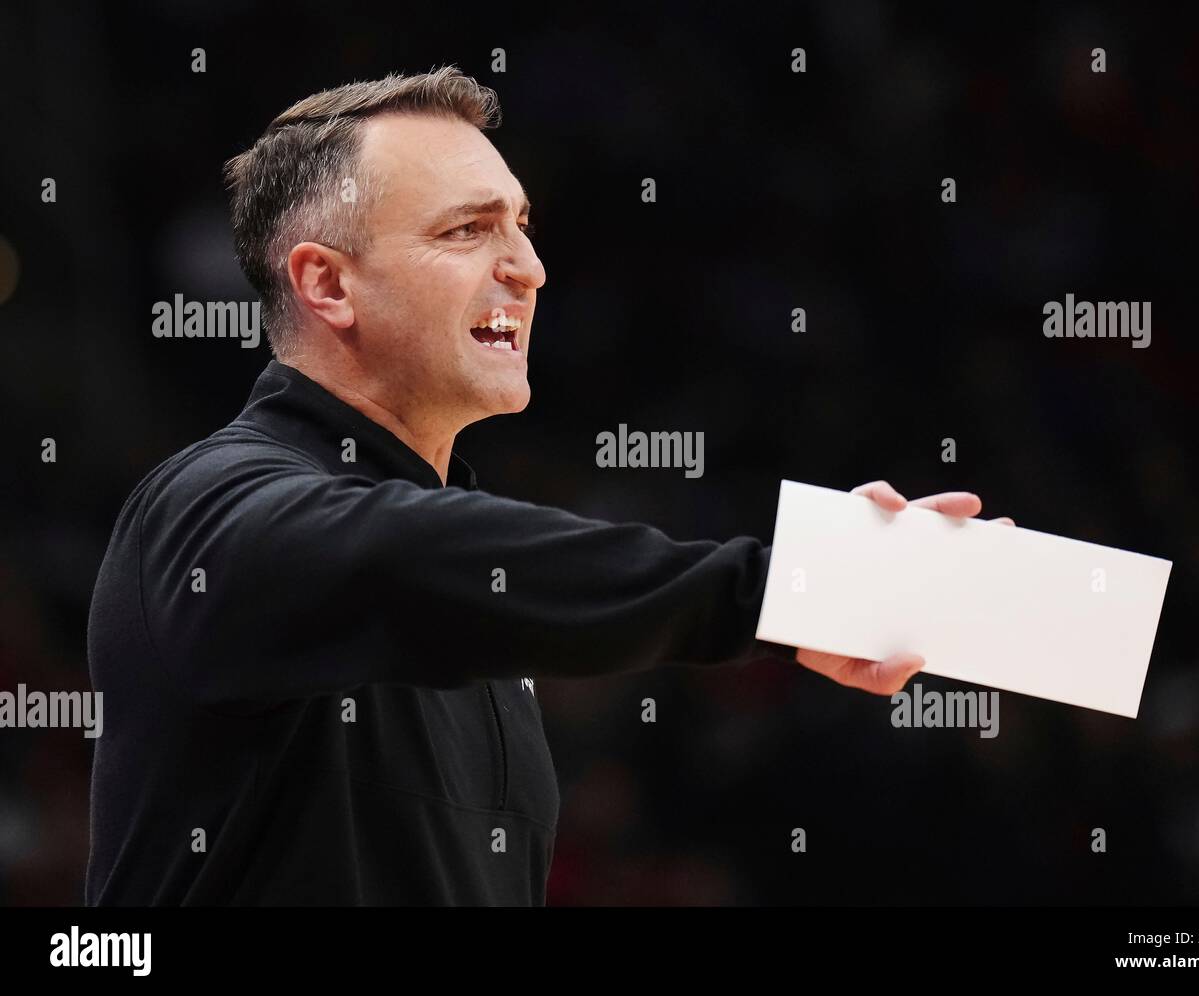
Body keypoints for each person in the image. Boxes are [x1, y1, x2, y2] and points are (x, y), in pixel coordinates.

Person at [85, 68, 1011, 905]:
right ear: (327, 284)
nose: (528, 268)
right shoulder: (203, 508)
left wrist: (851, 588)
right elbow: (402, 554)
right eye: (467, 230)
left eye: (521, 227)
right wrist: (782, 588)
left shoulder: (468, 589)